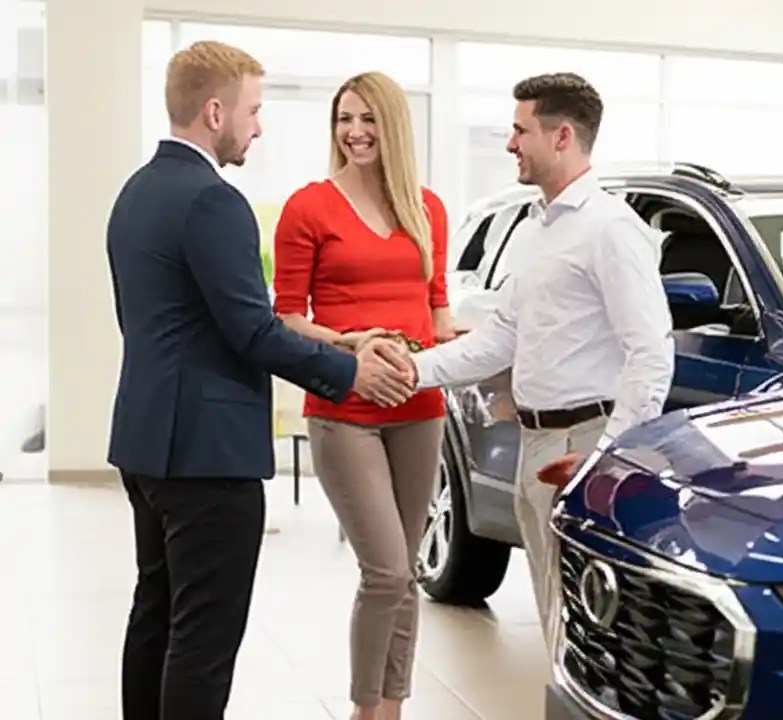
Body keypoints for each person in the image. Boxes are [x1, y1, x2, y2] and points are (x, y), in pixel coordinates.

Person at [106, 42, 415, 720]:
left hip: (146, 440)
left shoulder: (136, 192)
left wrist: (341, 339)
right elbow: (251, 331)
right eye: (252, 110)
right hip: (208, 454)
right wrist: (351, 372)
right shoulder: (213, 201)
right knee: (203, 638)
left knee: (155, 612)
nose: (258, 126)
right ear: (215, 112)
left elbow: (176, 321)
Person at [400, 72, 675, 653]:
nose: (509, 144)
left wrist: (606, 458)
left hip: (585, 443)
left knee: (593, 631)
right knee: (556, 617)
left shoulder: (610, 229)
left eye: (520, 130)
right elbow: (501, 339)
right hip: (536, 444)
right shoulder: (538, 230)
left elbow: (651, 354)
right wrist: (412, 371)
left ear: (562, 136)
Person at [270, 70, 453, 720]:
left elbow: (438, 312)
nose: (354, 132)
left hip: (420, 409)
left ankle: (392, 706)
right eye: (344, 118)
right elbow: (285, 319)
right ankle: (362, 709)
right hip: (344, 411)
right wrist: (350, 343)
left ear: (393, 126)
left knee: (409, 574)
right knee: (386, 571)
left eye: (368, 118)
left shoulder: (427, 209)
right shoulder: (309, 207)